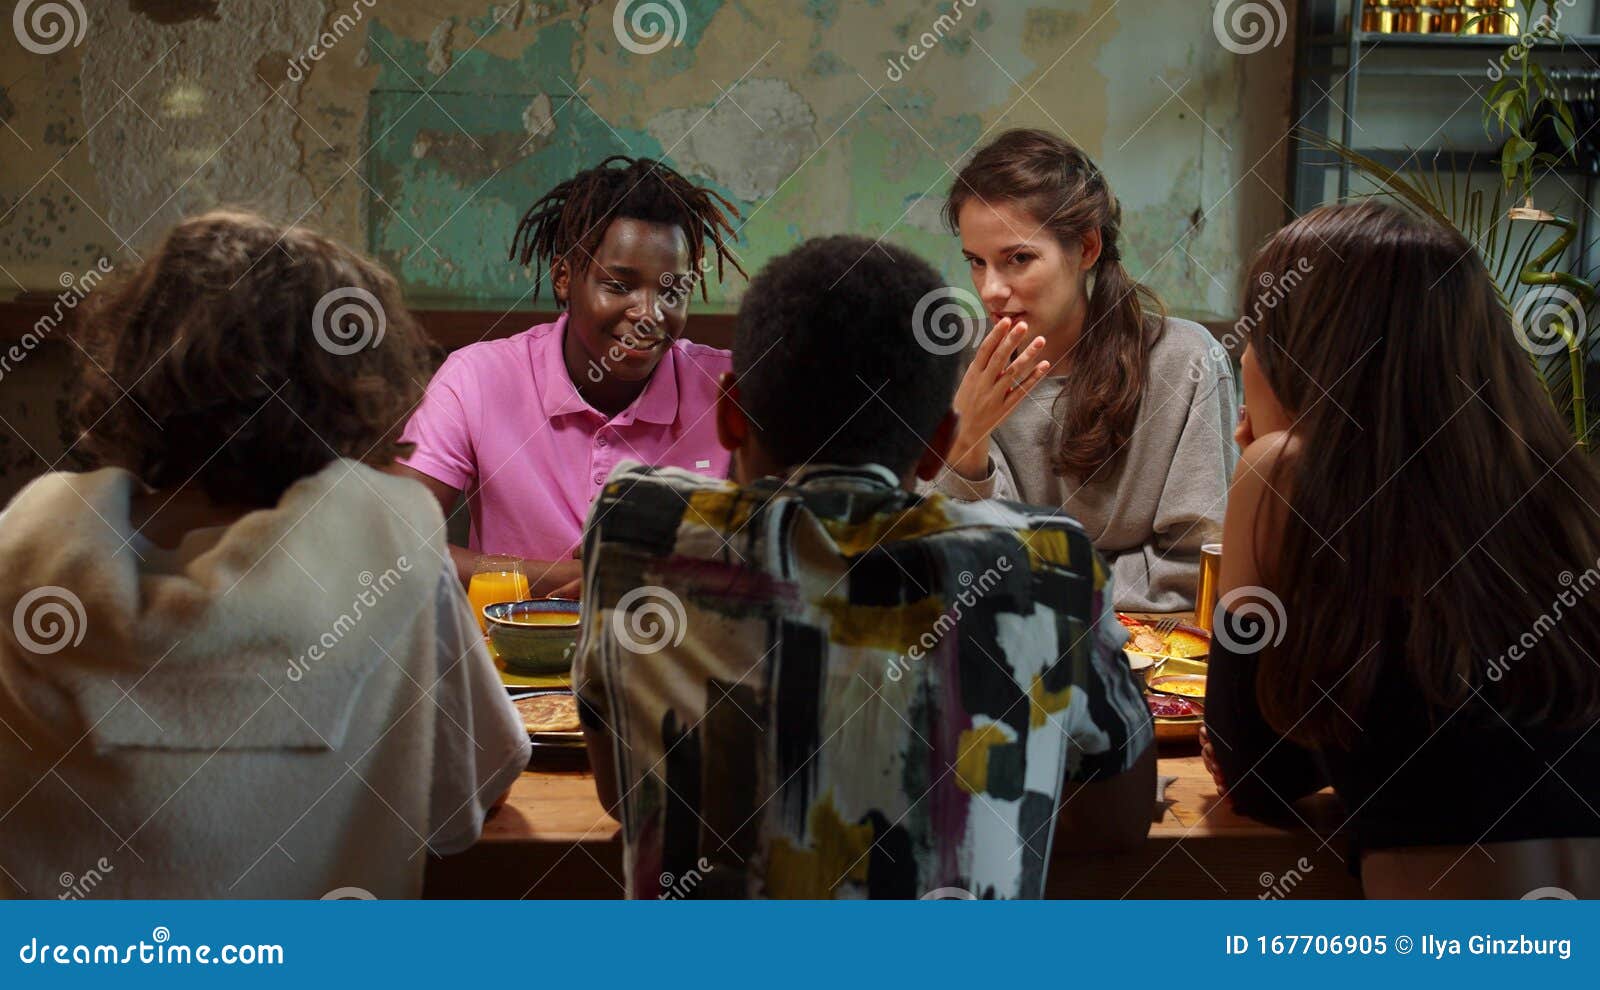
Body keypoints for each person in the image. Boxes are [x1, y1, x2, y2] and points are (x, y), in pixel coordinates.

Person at [572, 235, 1155, 899]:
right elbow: (1120, 820)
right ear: (939, 445)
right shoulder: (1049, 564)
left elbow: (622, 791)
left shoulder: (634, 528)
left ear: (730, 415)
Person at [0, 210, 529, 898]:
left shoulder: (22, 543)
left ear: (130, 364)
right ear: (355, 382)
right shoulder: (392, 540)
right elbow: (472, 793)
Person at [1200, 201, 1600, 898]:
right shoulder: (1559, 487)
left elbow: (1258, 775)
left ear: (1307, 353)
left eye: (1259, 331)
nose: (1244, 356)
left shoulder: (1281, 472)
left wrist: (1264, 472)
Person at [392, 155, 746, 595]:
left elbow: (791, 550)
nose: (649, 314)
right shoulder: (477, 379)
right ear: (564, 277)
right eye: (619, 286)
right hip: (510, 641)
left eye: (672, 291)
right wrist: (586, 577)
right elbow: (395, 544)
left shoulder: (729, 388)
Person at [932, 129, 1237, 611]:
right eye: (976, 262)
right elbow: (940, 561)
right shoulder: (953, 365)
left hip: (1147, 647)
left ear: (1087, 248)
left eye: (1018, 258)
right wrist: (966, 445)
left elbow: (1193, 568)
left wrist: (1033, 580)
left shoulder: (1185, 361)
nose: (990, 290)